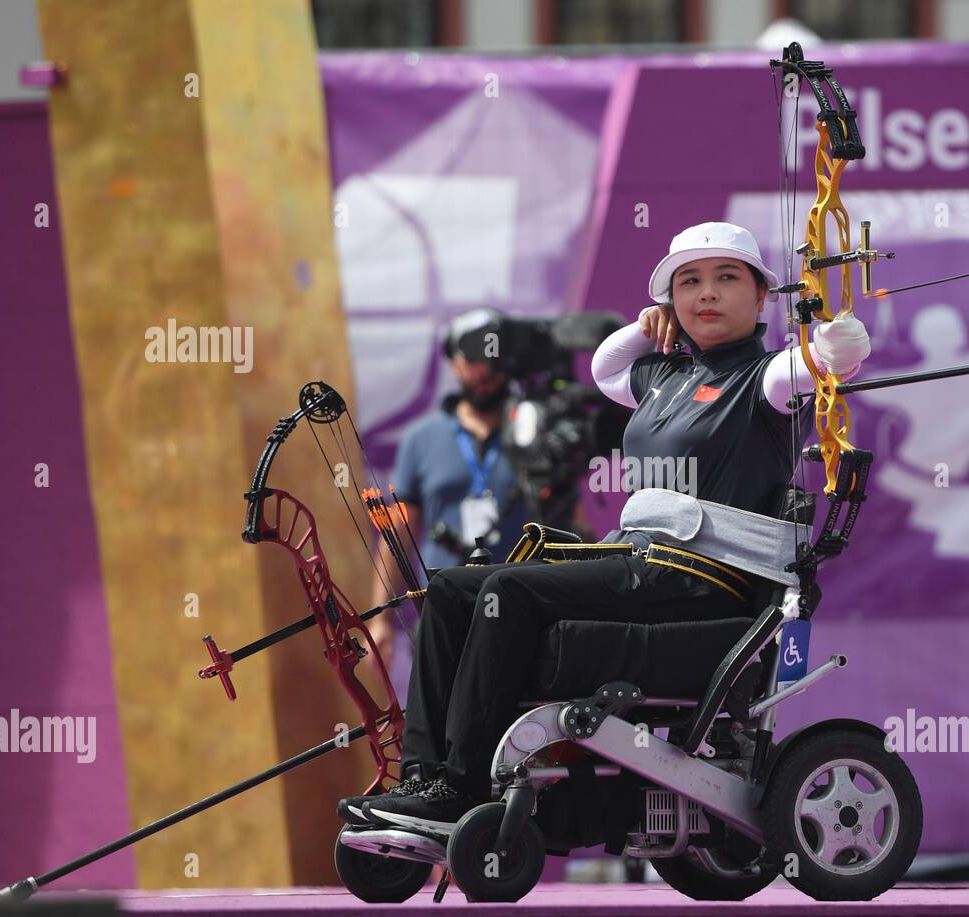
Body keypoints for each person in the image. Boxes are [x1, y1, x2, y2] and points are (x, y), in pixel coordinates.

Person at [338, 221, 871, 832]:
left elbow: (829, 361)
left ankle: (460, 790)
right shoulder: (664, 375)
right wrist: (644, 327)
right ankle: (422, 779)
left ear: (760, 297)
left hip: (702, 579)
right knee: (454, 588)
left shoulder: (766, 379)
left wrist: (834, 341)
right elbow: (605, 367)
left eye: (728, 279)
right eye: (689, 283)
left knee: (504, 591)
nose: (708, 294)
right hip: (644, 563)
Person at [367, 310, 533, 662]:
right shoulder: (421, 439)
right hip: (445, 614)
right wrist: (382, 618)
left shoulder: (536, 431)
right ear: (454, 364)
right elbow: (398, 532)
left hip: (529, 608)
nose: (485, 370)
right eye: (473, 358)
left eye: (495, 355)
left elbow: (569, 518)